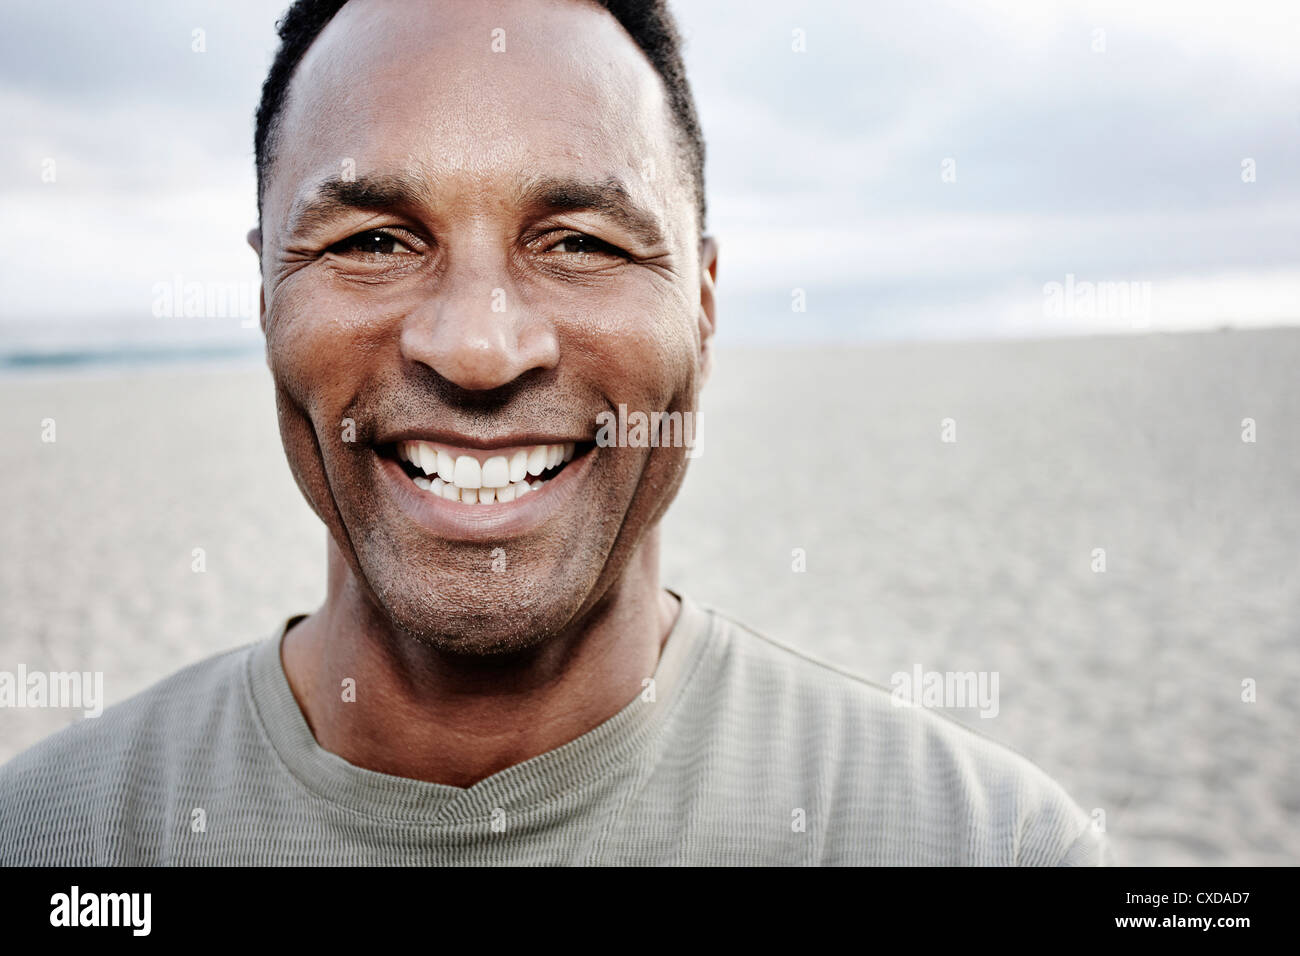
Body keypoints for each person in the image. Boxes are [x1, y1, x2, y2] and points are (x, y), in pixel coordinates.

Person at [0, 0, 1110, 866]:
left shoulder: (978, 842)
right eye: (375, 239)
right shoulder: (53, 839)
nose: (479, 347)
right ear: (262, 295)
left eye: (579, 241)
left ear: (706, 305)